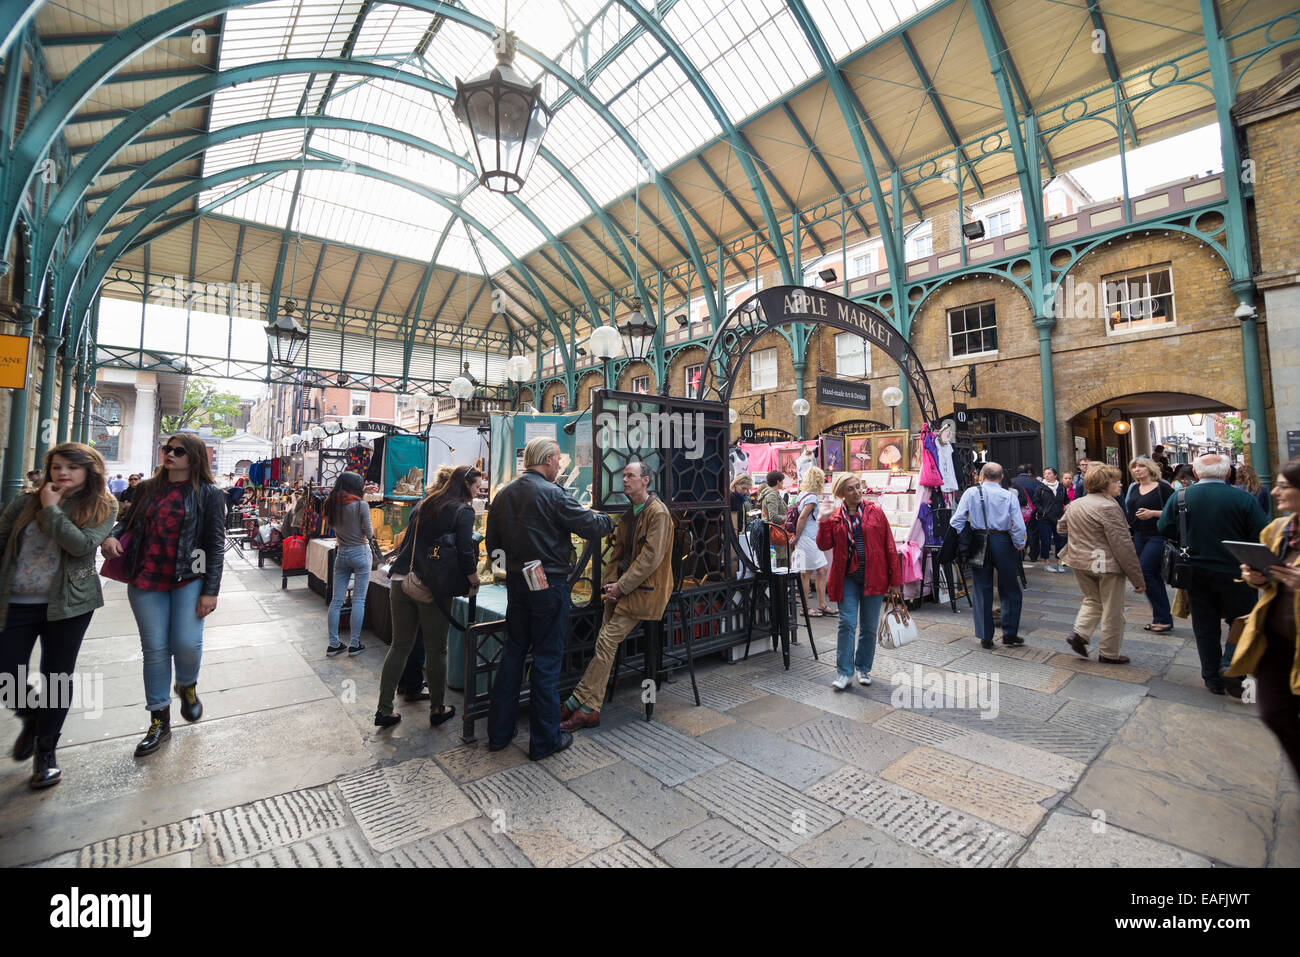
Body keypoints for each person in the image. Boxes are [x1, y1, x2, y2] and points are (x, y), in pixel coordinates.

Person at [485, 438, 614, 760]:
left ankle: (498, 734)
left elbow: (493, 547)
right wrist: (607, 517)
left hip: (517, 584)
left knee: (513, 655)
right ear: (546, 460)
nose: (559, 465)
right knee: (546, 661)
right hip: (548, 584)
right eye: (558, 459)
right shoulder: (553, 493)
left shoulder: (504, 494)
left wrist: (515, 567)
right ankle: (544, 741)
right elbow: (591, 527)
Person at [100, 432, 226, 756]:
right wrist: (111, 537)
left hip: (189, 576)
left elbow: (214, 544)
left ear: (194, 458)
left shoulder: (209, 494)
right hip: (146, 576)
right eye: (167, 449)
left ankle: (186, 684)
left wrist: (210, 590)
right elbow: (126, 525)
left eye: (178, 451)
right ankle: (159, 720)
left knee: (187, 642)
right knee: (155, 650)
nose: (170, 454)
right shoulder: (146, 489)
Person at [0, 443, 117, 788]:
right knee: (6, 671)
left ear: (89, 472)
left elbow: (80, 545)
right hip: (16, 601)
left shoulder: (103, 505)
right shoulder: (25, 501)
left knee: (57, 677)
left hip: (69, 604)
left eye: (72, 467)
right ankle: (32, 717)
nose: (62, 473)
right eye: (57, 466)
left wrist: (52, 510)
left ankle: (46, 752)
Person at [560, 462, 672, 731]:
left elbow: (650, 559)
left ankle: (581, 702)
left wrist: (621, 587)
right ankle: (587, 706)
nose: (625, 480)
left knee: (606, 641)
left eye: (631, 476)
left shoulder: (658, 513)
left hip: (646, 592)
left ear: (646, 480)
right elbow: (616, 553)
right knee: (604, 641)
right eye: (623, 475)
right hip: (623, 589)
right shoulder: (629, 514)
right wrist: (610, 584)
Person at [375, 465, 482, 730]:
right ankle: (437, 708)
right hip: (432, 585)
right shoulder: (463, 510)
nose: (478, 492)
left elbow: (408, 540)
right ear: (465, 485)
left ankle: (384, 709)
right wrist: (473, 580)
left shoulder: (425, 503)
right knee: (436, 649)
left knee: (400, 646)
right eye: (476, 487)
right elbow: (465, 551)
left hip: (401, 579)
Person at [1157, 453, 1267, 696]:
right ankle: (1233, 668)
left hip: (1196, 571)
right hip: (1237, 571)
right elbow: (1261, 534)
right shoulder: (1243, 498)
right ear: (1228, 473)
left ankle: (1212, 678)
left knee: (1205, 625)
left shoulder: (1181, 496)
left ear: (1196, 473)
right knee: (1242, 620)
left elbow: (1164, 527)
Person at [1230, 458, 1300, 777]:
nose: (1275, 492)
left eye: (1284, 486)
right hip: (1276, 638)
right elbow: (1264, 575)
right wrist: (1253, 576)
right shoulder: (1278, 530)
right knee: (1274, 712)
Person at [816, 472, 901, 689]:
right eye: (850, 489)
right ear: (841, 493)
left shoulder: (875, 512)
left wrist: (895, 580)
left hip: (875, 576)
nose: (857, 491)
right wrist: (823, 521)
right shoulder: (835, 516)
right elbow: (824, 545)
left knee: (869, 627)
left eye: (858, 486)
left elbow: (889, 546)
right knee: (847, 622)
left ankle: (863, 667)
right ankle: (844, 672)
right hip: (847, 578)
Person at [1058, 466, 1146, 663]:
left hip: (1079, 561)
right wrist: (1137, 579)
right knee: (1113, 610)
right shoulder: (1109, 507)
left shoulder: (1076, 503)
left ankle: (1079, 634)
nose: (1120, 485)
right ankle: (1109, 652)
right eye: (1116, 481)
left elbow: (1061, 528)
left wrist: (1082, 534)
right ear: (1105, 485)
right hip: (1105, 563)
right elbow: (1123, 545)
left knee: (1093, 599)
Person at [950, 462, 1026, 649]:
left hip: (979, 539)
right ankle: (1009, 634)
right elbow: (1019, 525)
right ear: (1001, 477)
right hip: (1003, 541)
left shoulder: (971, 493)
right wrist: (1019, 543)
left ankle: (985, 636)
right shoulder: (1009, 495)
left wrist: (965, 538)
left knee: (981, 587)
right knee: (1010, 588)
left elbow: (957, 520)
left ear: (981, 476)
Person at [323, 471, 375, 657]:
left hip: (342, 552)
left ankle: (333, 644)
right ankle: (354, 644)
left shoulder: (331, 505)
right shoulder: (361, 505)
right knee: (359, 599)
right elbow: (369, 532)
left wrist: (364, 493)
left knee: (336, 600)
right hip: (360, 551)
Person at [1125, 456, 1175, 633]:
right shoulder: (1134, 487)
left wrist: (1153, 513)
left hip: (1158, 534)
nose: (1137, 469)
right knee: (1150, 574)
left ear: (1150, 468)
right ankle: (1161, 617)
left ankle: (1163, 618)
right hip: (1139, 534)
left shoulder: (1163, 487)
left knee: (1146, 572)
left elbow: (1174, 511)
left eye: (1141, 466)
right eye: (1134, 467)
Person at [792, 466, 830, 615]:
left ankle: (818, 605)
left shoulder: (802, 494)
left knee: (816, 570)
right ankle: (808, 607)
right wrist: (797, 536)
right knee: (809, 572)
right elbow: (802, 518)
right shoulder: (812, 497)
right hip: (808, 538)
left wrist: (797, 536)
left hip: (806, 537)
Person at [1011, 464, 1045, 565]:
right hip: (1033, 510)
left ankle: (1021, 553)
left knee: (1018, 530)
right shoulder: (1036, 482)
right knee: (1033, 532)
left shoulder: (1012, 482)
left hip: (1017, 511)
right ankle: (1034, 555)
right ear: (1028, 472)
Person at [1037, 467, 1069, 572]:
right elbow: (1035, 502)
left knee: (1060, 540)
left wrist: (1067, 507)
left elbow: (1066, 500)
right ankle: (1046, 563)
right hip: (1045, 519)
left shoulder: (1061, 487)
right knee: (1045, 541)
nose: (1047, 475)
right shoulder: (1040, 487)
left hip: (1058, 518)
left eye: (1049, 473)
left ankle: (1059, 563)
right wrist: (1042, 511)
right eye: (1045, 473)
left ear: (1055, 475)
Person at [758, 469, 787, 566]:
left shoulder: (771, 493)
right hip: (776, 533)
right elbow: (773, 516)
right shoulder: (772, 495)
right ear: (778, 481)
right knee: (778, 563)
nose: (783, 483)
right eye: (782, 480)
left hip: (774, 532)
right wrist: (787, 518)